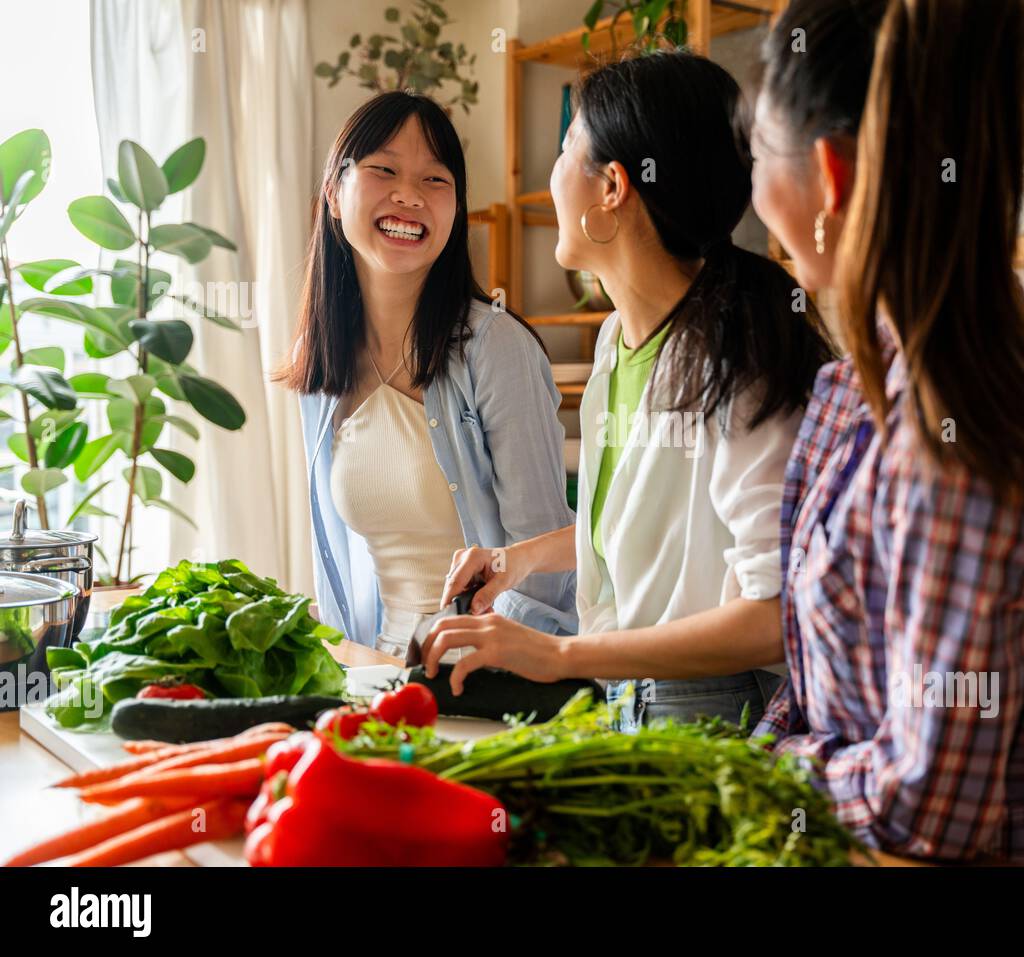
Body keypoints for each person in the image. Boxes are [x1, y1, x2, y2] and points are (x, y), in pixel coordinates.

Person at [747, 0, 1024, 865]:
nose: (754, 193)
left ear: (832, 180)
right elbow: (824, 698)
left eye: (759, 156)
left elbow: (922, 809)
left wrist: (758, 771)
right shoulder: (874, 382)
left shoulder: (956, 428)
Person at [428, 52, 834, 731]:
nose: (555, 175)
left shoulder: (737, 356)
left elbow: (774, 616)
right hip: (628, 696)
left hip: (716, 715)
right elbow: (648, 528)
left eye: (565, 152)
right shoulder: (618, 339)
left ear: (613, 186)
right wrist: (517, 559)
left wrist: (558, 653)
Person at [276, 91, 576, 656]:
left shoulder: (494, 347)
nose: (409, 196)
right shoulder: (322, 361)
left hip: (490, 678)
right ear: (334, 197)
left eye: (435, 180)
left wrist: (468, 675)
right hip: (381, 673)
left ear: (456, 208)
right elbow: (342, 570)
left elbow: (543, 571)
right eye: (384, 170)